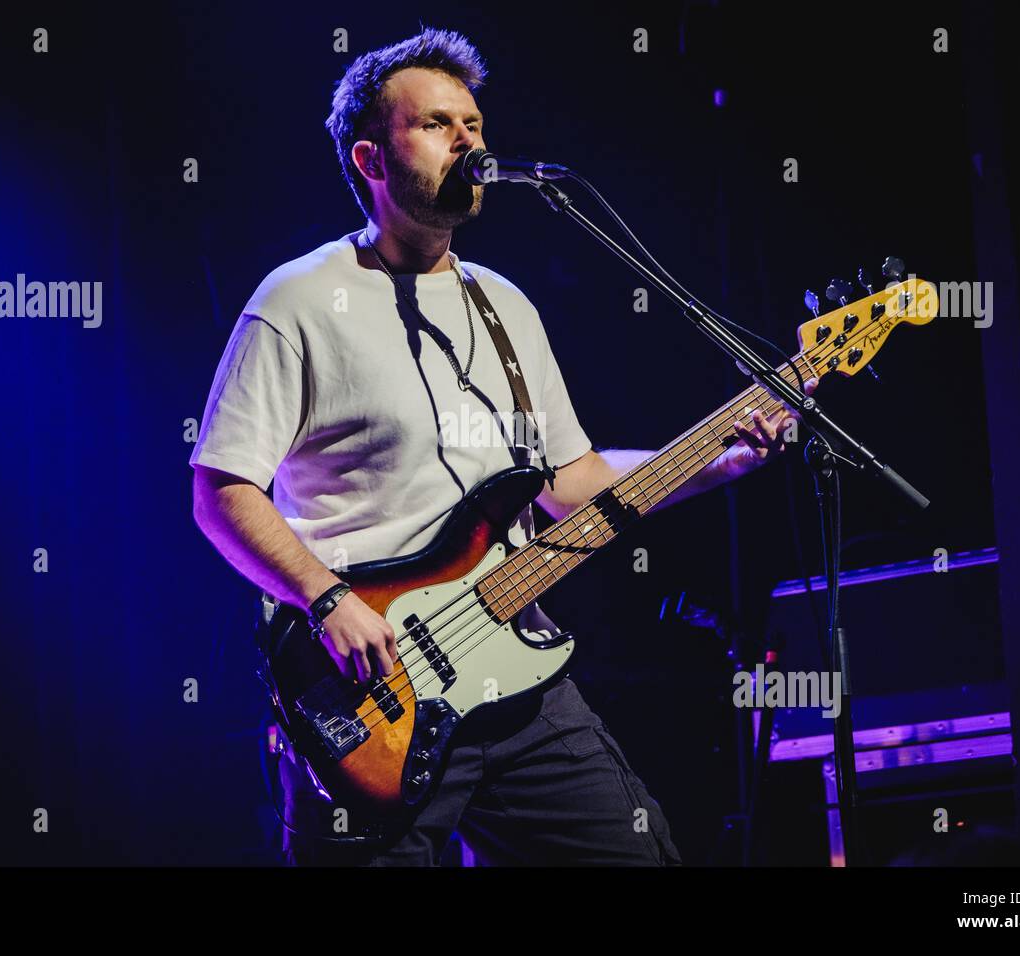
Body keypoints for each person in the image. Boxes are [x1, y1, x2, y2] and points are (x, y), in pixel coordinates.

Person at [190, 27, 802, 866]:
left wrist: (719, 458)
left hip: (515, 680)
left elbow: (572, 483)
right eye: (438, 124)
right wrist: (328, 601)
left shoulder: (504, 308)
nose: (470, 141)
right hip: (368, 699)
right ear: (371, 158)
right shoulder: (298, 300)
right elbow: (221, 491)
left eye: (474, 123)